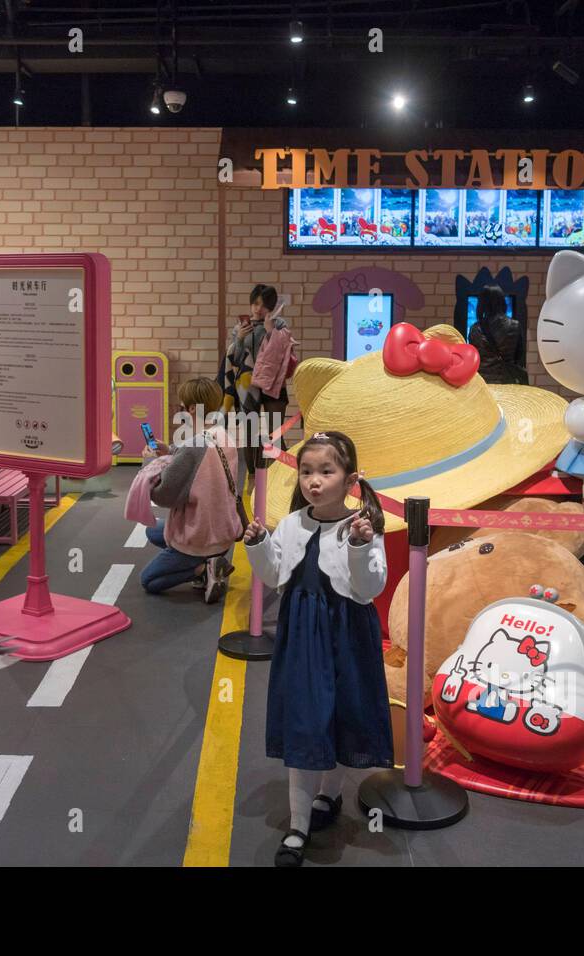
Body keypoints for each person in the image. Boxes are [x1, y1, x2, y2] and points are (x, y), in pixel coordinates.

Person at [242, 431, 393, 867]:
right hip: (303, 635)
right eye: (307, 471)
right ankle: (297, 827)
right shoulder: (292, 523)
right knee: (306, 721)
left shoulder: (362, 525)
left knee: (344, 714)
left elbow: (368, 590)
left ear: (350, 480)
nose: (314, 480)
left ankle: (330, 795)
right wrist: (257, 545)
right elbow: (273, 577)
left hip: (349, 634)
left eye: (326, 471)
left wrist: (362, 547)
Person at [139, 378, 239, 603]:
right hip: (223, 529)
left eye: (182, 407)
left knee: (149, 581)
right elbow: (200, 460)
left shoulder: (194, 447)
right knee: (151, 531)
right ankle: (213, 561)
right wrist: (171, 450)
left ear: (193, 409)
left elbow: (163, 495)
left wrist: (148, 464)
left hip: (200, 538)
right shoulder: (224, 436)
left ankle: (203, 569)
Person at [230, 284, 291, 483]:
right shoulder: (240, 327)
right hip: (249, 386)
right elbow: (236, 360)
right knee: (250, 433)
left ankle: (280, 477)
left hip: (274, 385)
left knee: (276, 432)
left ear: (271, 307)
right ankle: (252, 476)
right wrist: (239, 339)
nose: (258, 309)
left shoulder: (279, 323)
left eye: (264, 305)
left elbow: (283, 352)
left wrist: (270, 331)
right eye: (255, 303)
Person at [467, 285, 528, 385]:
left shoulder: (475, 329)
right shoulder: (515, 326)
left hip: (483, 383)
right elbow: (519, 358)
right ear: (502, 301)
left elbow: (472, 359)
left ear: (482, 303)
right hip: (508, 381)